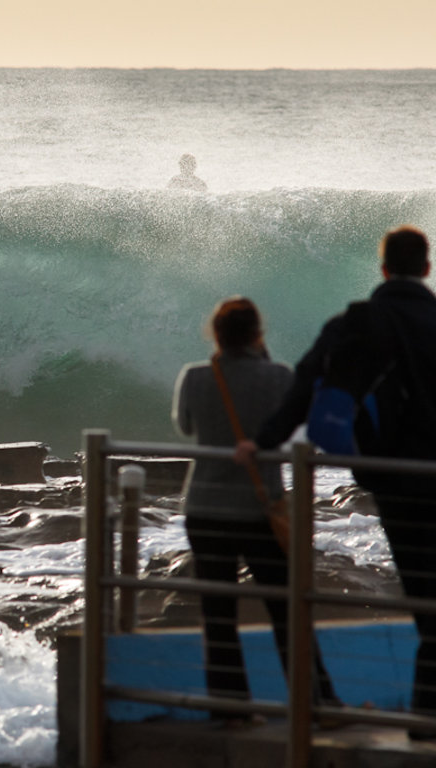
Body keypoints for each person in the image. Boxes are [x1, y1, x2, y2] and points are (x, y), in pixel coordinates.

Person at [236, 226, 436, 735]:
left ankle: (425, 718)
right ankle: (424, 716)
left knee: (424, 595)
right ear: (428, 269)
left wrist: (263, 442)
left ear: (384, 269)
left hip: (394, 483)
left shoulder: (360, 321)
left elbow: (306, 384)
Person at [174, 296, 339, 727]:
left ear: (216, 335)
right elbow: (296, 432)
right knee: (286, 609)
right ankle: (317, 703)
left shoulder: (195, 377)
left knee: (218, 614)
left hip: (204, 509)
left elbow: (186, 426)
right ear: (257, 334)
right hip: (258, 510)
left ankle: (229, 710)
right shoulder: (279, 376)